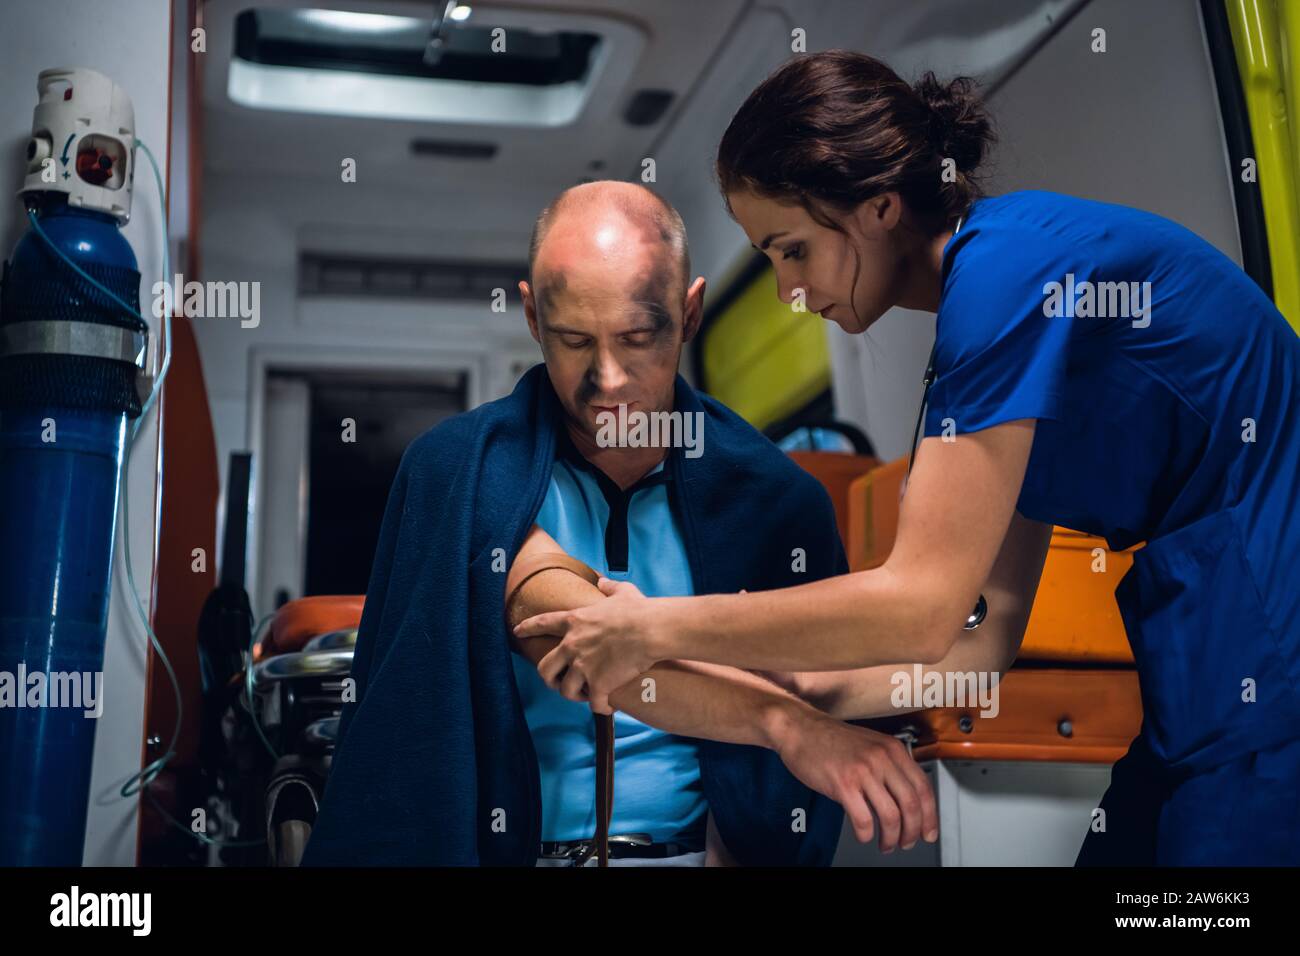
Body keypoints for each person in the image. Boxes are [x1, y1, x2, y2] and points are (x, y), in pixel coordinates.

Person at [514, 51, 1300, 866]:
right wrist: (800, 702)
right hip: (1207, 682)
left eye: (792, 250)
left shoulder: (1007, 278)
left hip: (1271, 665)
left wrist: (652, 625)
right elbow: (975, 649)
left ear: (880, 208)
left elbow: (921, 606)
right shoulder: (987, 329)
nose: (788, 291)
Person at [301, 180, 938, 867]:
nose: (607, 379)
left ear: (690, 314)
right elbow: (575, 639)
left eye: (638, 338)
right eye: (575, 340)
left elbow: (824, 688)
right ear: (531, 318)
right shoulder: (457, 472)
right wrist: (788, 725)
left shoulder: (778, 501)